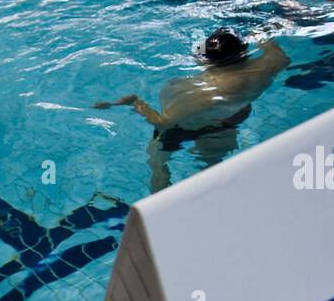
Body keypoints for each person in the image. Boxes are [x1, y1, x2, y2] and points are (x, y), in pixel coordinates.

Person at [94, 28, 289, 192]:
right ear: (244, 51)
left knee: (157, 164)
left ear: (207, 60)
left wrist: (136, 103)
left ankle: (163, 211)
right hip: (227, 122)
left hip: (185, 126)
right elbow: (278, 53)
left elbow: (164, 123)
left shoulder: (187, 91)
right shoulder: (269, 65)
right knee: (213, 171)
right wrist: (259, 33)